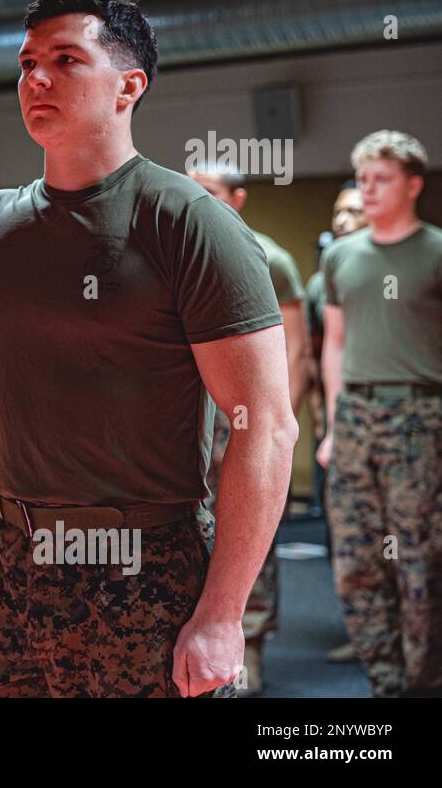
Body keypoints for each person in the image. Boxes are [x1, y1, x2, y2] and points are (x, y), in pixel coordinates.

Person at [0, 0, 296, 698]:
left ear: (128, 87)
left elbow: (264, 424)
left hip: (144, 565)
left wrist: (222, 614)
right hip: (11, 558)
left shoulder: (187, 221)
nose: (37, 79)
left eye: (65, 60)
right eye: (27, 64)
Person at [316, 130, 442, 697]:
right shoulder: (341, 256)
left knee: (421, 562)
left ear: (413, 184)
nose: (367, 189)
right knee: (356, 561)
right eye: (362, 178)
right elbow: (335, 344)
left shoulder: (435, 252)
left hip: (422, 417)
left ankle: (423, 682)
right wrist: (332, 425)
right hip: (356, 417)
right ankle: (385, 684)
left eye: (381, 179)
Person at [190, 164, 309, 694]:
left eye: (210, 191)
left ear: (237, 198)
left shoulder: (269, 257)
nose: (198, 199)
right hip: (188, 414)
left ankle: (250, 641)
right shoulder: (177, 250)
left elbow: (295, 348)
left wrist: (278, 422)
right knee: (186, 521)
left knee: (246, 521)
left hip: (242, 411)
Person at [304, 182, 365, 665]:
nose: (343, 220)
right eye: (338, 211)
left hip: (404, 422)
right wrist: (322, 423)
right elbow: (315, 352)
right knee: (344, 535)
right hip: (339, 424)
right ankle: (366, 634)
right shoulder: (322, 281)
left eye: (355, 212)